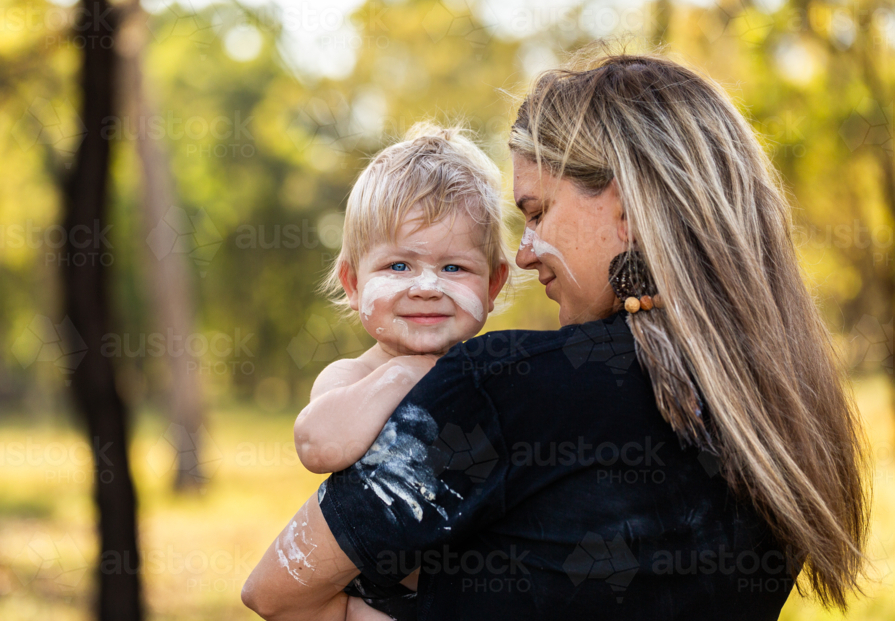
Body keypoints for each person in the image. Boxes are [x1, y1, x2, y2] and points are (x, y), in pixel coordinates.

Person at [242, 52, 870, 620]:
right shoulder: (779, 416)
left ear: (625, 210)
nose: (525, 254)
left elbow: (275, 591)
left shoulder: (500, 389)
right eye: (399, 265)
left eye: (538, 212)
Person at [291, 122, 511, 620]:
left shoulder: (498, 375)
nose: (427, 287)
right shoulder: (352, 375)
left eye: (454, 268)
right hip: (380, 600)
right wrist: (403, 376)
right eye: (398, 267)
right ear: (351, 281)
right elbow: (316, 444)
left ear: (494, 283)